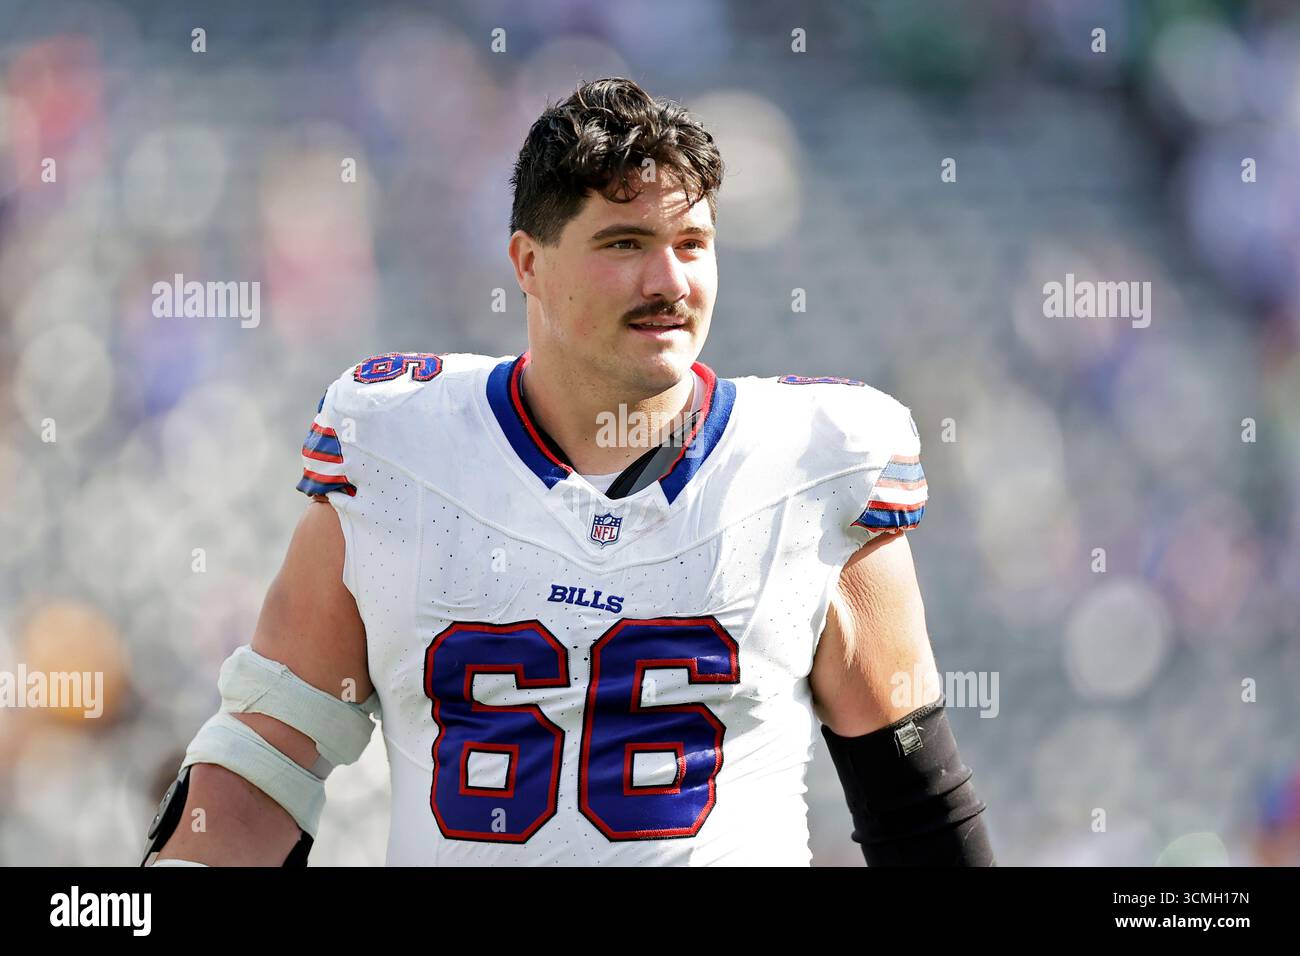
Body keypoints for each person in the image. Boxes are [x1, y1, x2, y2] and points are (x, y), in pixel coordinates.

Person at [143, 76, 993, 867]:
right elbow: (259, 769)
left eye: (692, 243)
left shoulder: (815, 464)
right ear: (528, 264)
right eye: (625, 242)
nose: (669, 281)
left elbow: (915, 806)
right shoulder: (396, 453)